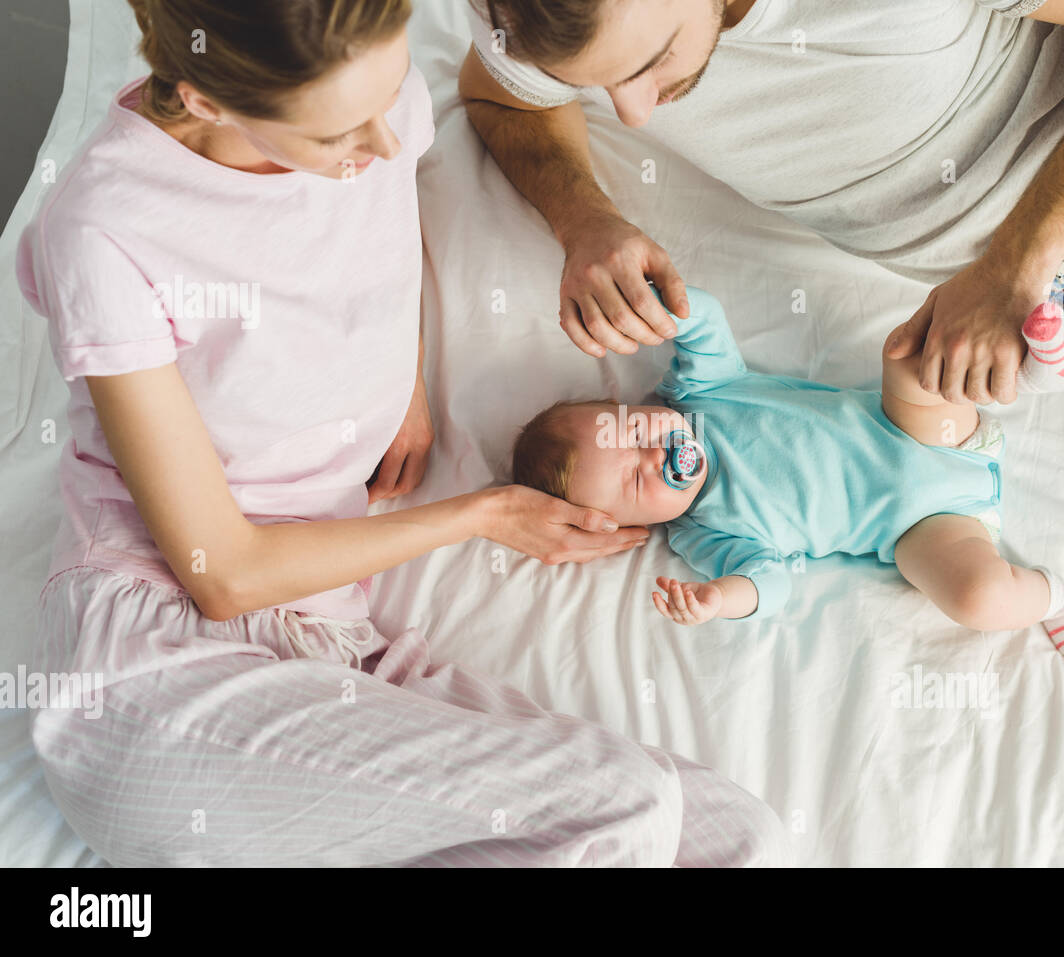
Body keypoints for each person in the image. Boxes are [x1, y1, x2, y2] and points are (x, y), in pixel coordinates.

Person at [15, 0, 790, 867]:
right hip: (162, 672)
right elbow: (223, 575)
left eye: (391, 96)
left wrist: (401, 381)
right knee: (623, 805)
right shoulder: (108, 226)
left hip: (332, 650)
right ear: (204, 102)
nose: (387, 146)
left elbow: (376, 228)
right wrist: (486, 514)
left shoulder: (370, 101)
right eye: (341, 136)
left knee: (735, 837)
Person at [462, 1, 1064, 647]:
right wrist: (585, 221)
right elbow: (498, 99)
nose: (636, 112)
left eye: (647, 63)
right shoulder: (539, 15)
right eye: (601, 85)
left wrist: (1015, 261)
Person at [513, 286, 1064, 663]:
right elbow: (769, 583)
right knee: (975, 598)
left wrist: (656, 311)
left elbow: (707, 320)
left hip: (923, 430)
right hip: (924, 528)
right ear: (634, 526)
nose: (653, 455)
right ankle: (1054, 598)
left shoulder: (700, 391)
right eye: (637, 482)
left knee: (905, 355)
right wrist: (718, 599)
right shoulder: (704, 533)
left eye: (636, 432)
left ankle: (1036, 374)